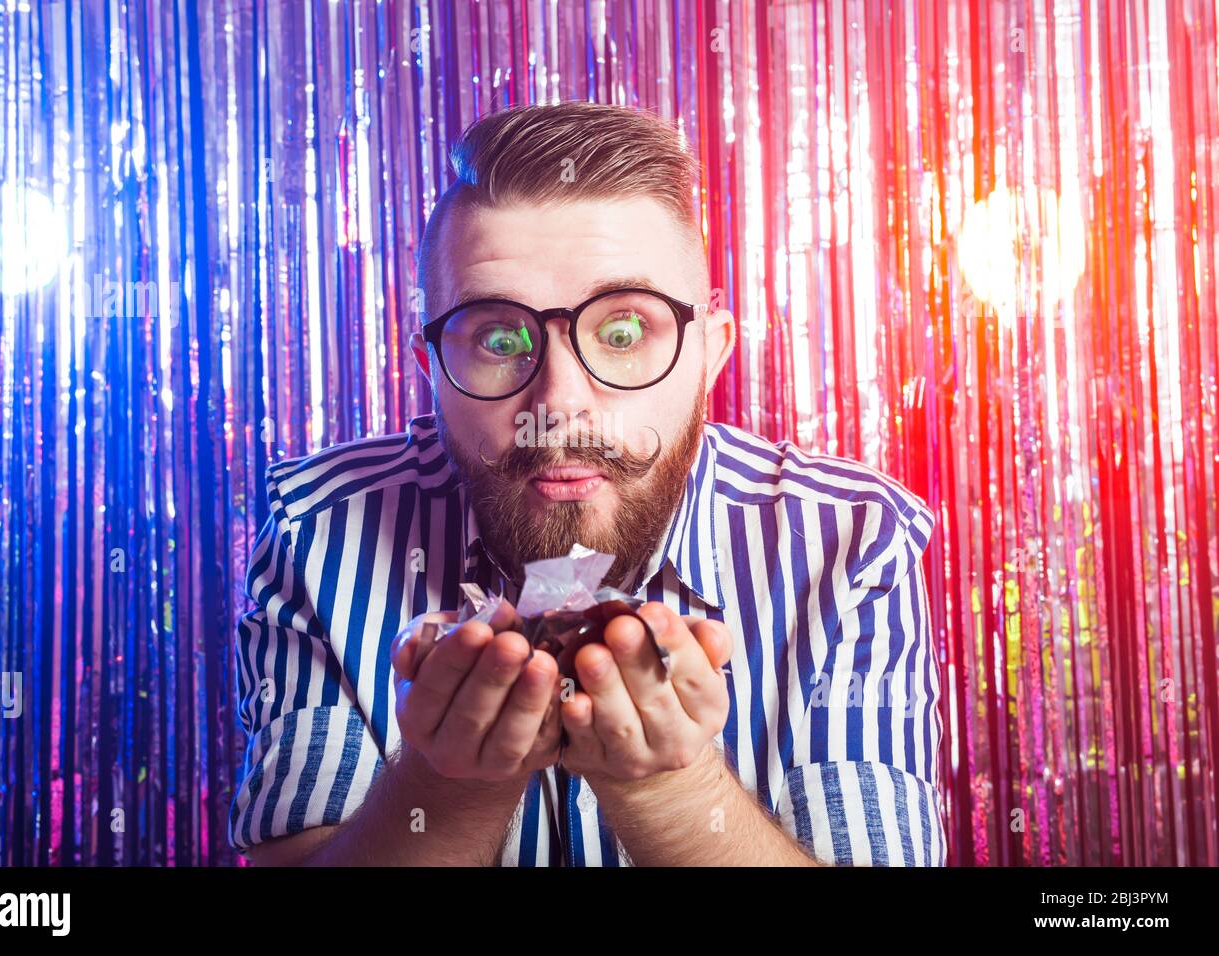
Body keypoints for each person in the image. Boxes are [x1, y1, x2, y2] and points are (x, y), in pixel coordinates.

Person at [229, 101, 945, 866]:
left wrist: (669, 790)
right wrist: (447, 787)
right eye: (500, 338)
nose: (561, 404)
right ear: (431, 368)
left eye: (625, 331)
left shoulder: (850, 541)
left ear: (709, 353)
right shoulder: (317, 530)